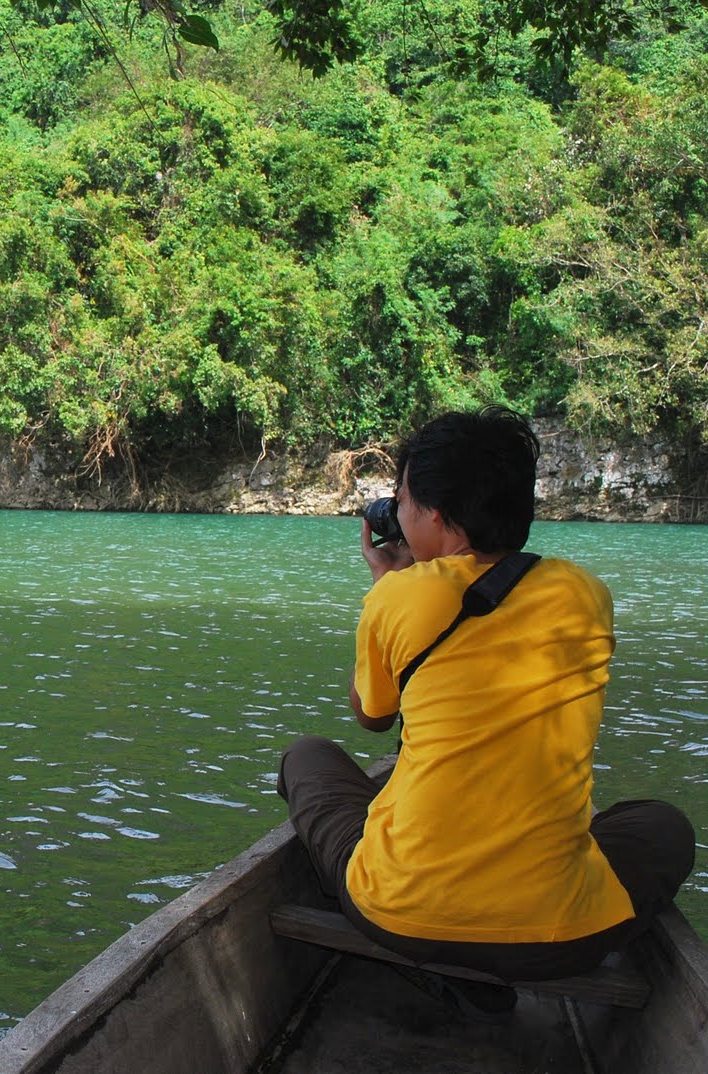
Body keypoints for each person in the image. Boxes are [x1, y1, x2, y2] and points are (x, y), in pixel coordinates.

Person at [277, 406, 694, 1009]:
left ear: (438, 517)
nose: (396, 514)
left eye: (403, 502)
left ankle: (426, 953)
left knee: (306, 757)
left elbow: (372, 716)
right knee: (663, 825)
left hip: (399, 915)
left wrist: (386, 587)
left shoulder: (396, 596)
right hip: (558, 938)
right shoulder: (586, 594)